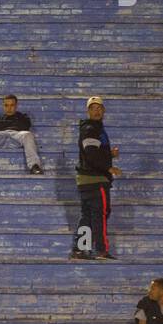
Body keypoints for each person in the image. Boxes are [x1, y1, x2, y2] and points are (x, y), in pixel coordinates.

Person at [70, 96, 121, 260]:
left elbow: (91, 151)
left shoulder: (92, 128)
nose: (97, 111)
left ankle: (80, 249)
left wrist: (108, 153)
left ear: (104, 110)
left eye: (99, 108)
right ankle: (101, 250)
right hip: (96, 179)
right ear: (88, 111)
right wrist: (108, 166)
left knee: (87, 215)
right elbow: (91, 154)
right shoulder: (92, 128)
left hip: (85, 180)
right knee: (100, 214)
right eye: (93, 108)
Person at [0, 94, 43, 175]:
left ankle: (34, 166)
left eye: (12, 105)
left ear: (16, 106)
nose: (9, 108)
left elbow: (25, 126)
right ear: (3, 106)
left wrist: (5, 125)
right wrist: (13, 125)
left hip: (16, 136)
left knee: (28, 135)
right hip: (1, 136)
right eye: (6, 105)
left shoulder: (23, 117)